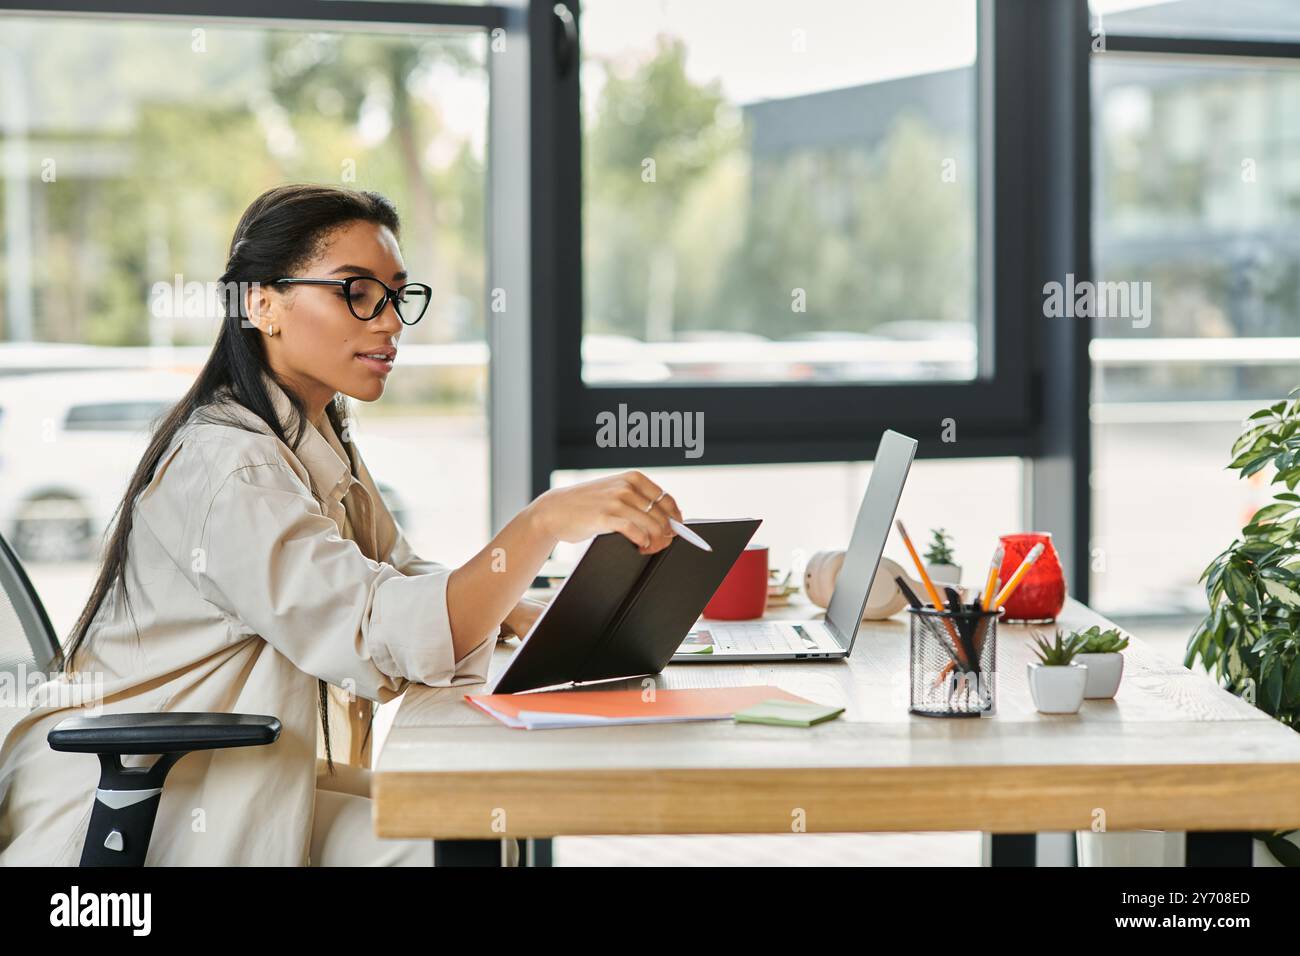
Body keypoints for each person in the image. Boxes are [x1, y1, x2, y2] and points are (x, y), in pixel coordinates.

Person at [0, 183, 683, 865]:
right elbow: (376, 634)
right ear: (262, 302)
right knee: (456, 841)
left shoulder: (308, 431)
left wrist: (512, 605)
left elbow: (399, 573)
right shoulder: (229, 463)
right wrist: (540, 524)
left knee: (482, 822)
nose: (388, 323)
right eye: (356, 293)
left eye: (396, 295)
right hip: (160, 804)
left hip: (236, 773)